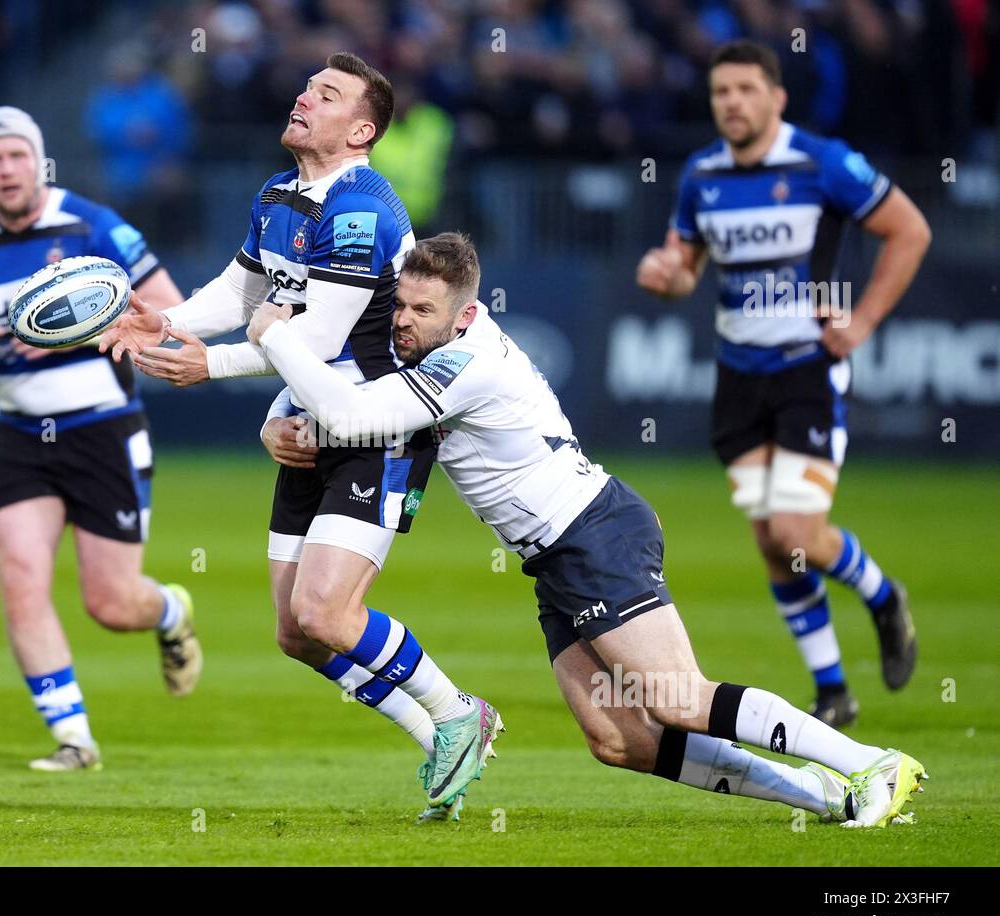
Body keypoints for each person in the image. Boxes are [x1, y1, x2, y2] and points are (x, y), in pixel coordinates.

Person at [249, 231, 928, 828]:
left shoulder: (466, 363)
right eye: (400, 305)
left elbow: (348, 414)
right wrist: (275, 419)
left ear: (467, 314)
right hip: (555, 558)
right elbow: (336, 381)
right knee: (619, 739)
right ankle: (823, 797)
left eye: (422, 310)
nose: (403, 321)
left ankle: (871, 763)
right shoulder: (428, 349)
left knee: (677, 696)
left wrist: (268, 334)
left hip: (593, 531)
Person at [99, 54, 501, 817]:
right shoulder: (278, 193)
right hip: (311, 419)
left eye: (326, 93)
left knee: (323, 612)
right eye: (306, 87)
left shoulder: (362, 210)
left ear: (361, 129)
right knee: (297, 633)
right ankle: (441, 733)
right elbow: (244, 290)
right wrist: (168, 321)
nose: (302, 96)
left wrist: (206, 367)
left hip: (377, 422)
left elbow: (313, 336)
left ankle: (457, 713)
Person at [635, 40, 931, 726]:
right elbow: (685, 270)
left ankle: (884, 597)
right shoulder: (702, 173)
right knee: (772, 538)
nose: (731, 103)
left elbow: (909, 230)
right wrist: (665, 276)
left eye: (745, 90)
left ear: (776, 98)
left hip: (806, 372)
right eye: (720, 93)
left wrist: (860, 323)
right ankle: (832, 688)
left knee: (799, 528)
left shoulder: (821, 162)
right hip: (738, 380)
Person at [0, 106, 200, 772]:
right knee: (21, 577)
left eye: (16, 155)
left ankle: (168, 612)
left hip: (102, 428)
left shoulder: (94, 226)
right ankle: (75, 739)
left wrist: (84, 330)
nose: (5, 169)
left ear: (38, 160)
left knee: (111, 604)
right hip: (19, 437)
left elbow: (174, 311)